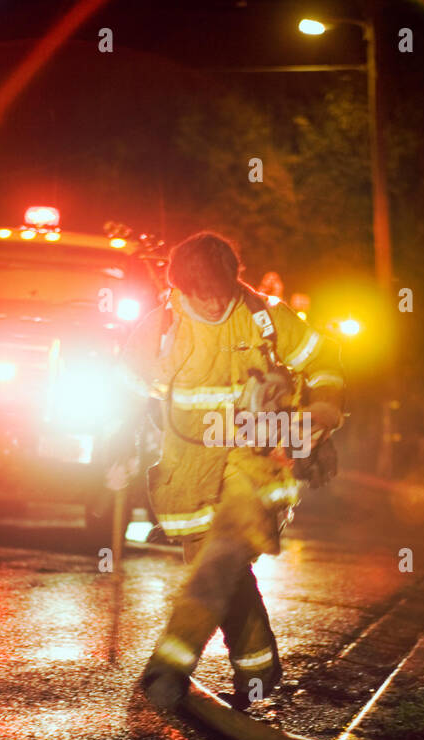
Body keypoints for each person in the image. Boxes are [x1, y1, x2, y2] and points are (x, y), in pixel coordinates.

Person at [120, 232, 345, 711]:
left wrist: (323, 410)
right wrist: (122, 445)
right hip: (188, 475)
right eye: (202, 293)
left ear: (234, 279)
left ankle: (167, 671)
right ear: (180, 288)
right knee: (225, 572)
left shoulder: (267, 316)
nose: (214, 301)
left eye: (222, 290)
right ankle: (259, 674)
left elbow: (324, 360)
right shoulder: (160, 327)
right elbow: (130, 391)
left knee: (219, 561)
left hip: (254, 466)